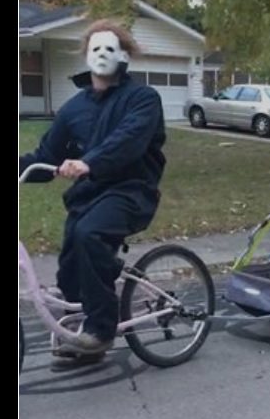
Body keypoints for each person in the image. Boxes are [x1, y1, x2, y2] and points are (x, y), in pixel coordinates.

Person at [19, 20, 166, 367]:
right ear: (85, 56)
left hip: (132, 191)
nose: (102, 54)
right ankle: (80, 332)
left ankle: (100, 329)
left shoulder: (142, 98)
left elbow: (128, 141)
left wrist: (88, 162)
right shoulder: (73, 109)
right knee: (70, 259)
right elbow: (46, 156)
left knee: (90, 235)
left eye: (109, 48)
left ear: (123, 55)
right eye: (95, 48)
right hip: (89, 196)